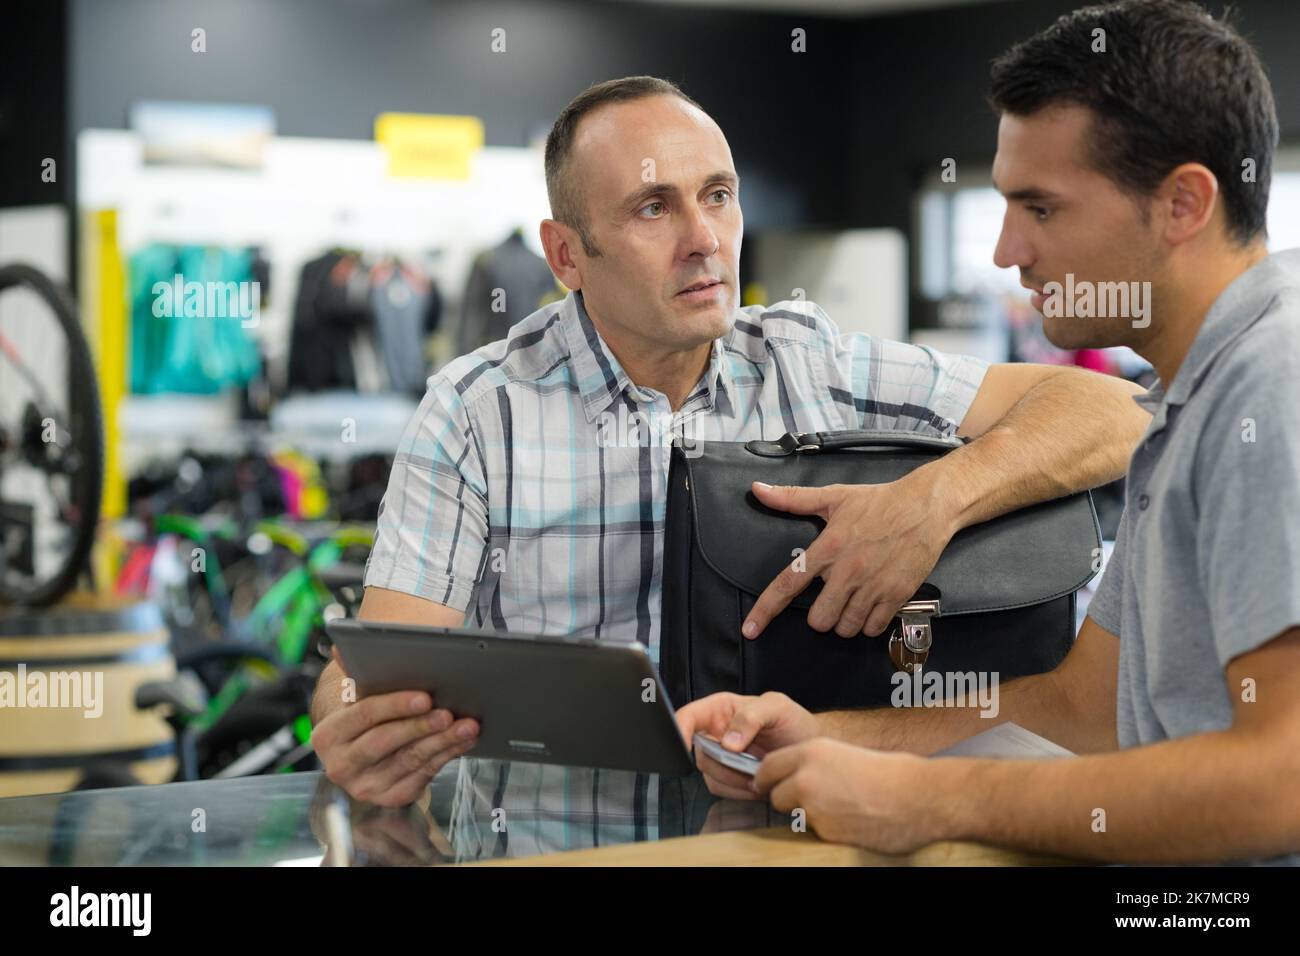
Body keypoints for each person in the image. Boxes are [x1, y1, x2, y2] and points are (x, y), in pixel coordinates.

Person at [310, 74, 1149, 815]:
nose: (703, 236)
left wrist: (932, 500)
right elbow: (378, 669)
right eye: (652, 207)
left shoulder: (808, 359)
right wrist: (351, 723)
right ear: (566, 254)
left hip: (782, 843)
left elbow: (1115, 411)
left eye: (718, 194)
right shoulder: (477, 410)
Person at [679, 0, 1300, 865]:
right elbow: (1087, 713)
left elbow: (1282, 781)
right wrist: (825, 738)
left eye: (1040, 209)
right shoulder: (1185, 398)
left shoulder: (1272, 382)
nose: (1008, 252)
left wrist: (930, 800)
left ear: (1182, 204)